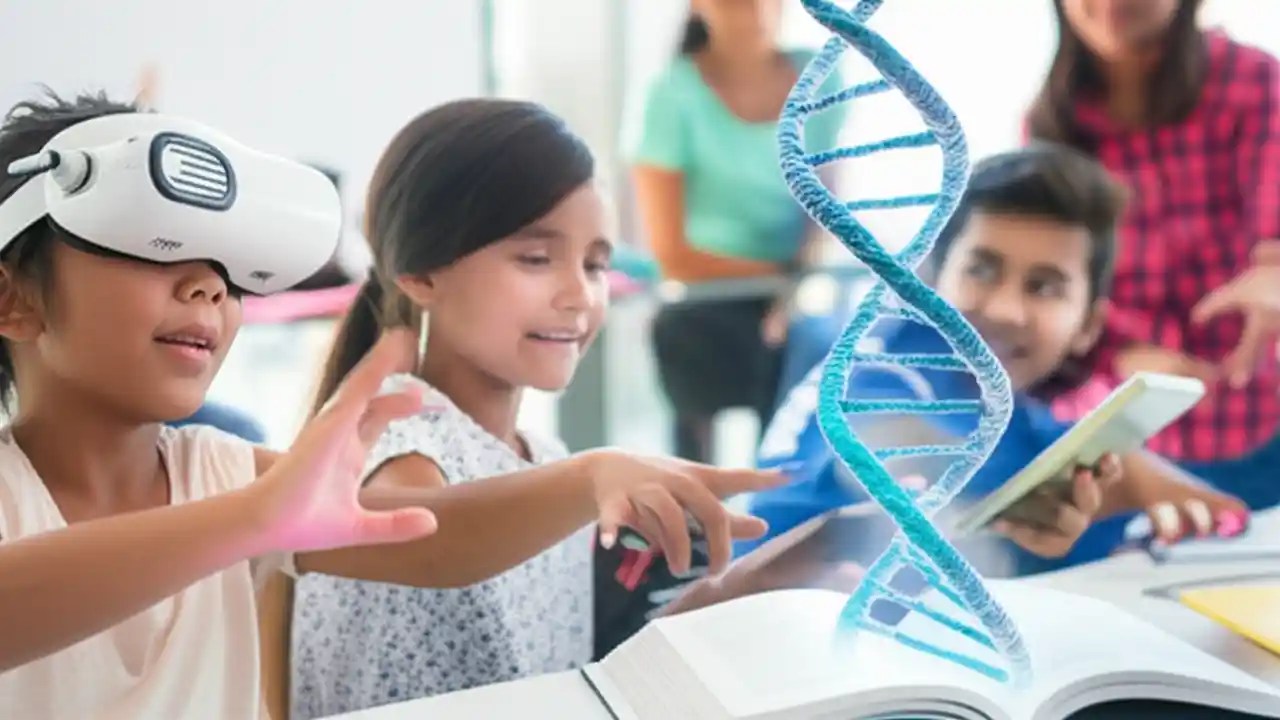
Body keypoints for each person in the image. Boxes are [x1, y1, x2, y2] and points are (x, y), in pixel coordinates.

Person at [0, 92, 783, 720]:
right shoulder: (239, 500)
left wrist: (593, 477)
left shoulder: (226, 474)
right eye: (151, 247)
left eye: (226, 267)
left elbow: (441, 540)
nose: (209, 286)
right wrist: (257, 519)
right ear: (13, 301)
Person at [736, 143, 1253, 577]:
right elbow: (913, 477)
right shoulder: (879, 370)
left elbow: (1204, 507)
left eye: (1044, 287)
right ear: (934, 278)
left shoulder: (1016, 417)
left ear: (1088, 327)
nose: (1006, 310)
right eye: (982, 270)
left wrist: (1149, 497)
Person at [1026, 0, 1280, 469]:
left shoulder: (1254, 80)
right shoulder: (1047, 129)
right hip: (1118, 438)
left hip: (1260, 419)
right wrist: (1116, 364)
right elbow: (1043, 307)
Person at [628, 0, 848, 462]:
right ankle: (692, 511)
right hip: (705, 293)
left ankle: (779, 504)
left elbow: (828, 213)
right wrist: (777, 277)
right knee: (686, 339)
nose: (756, 8)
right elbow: (672, 255)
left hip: (793, 286)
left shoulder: (819, 74)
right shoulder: (672, 93)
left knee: (808, 355)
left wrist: (791, 290)